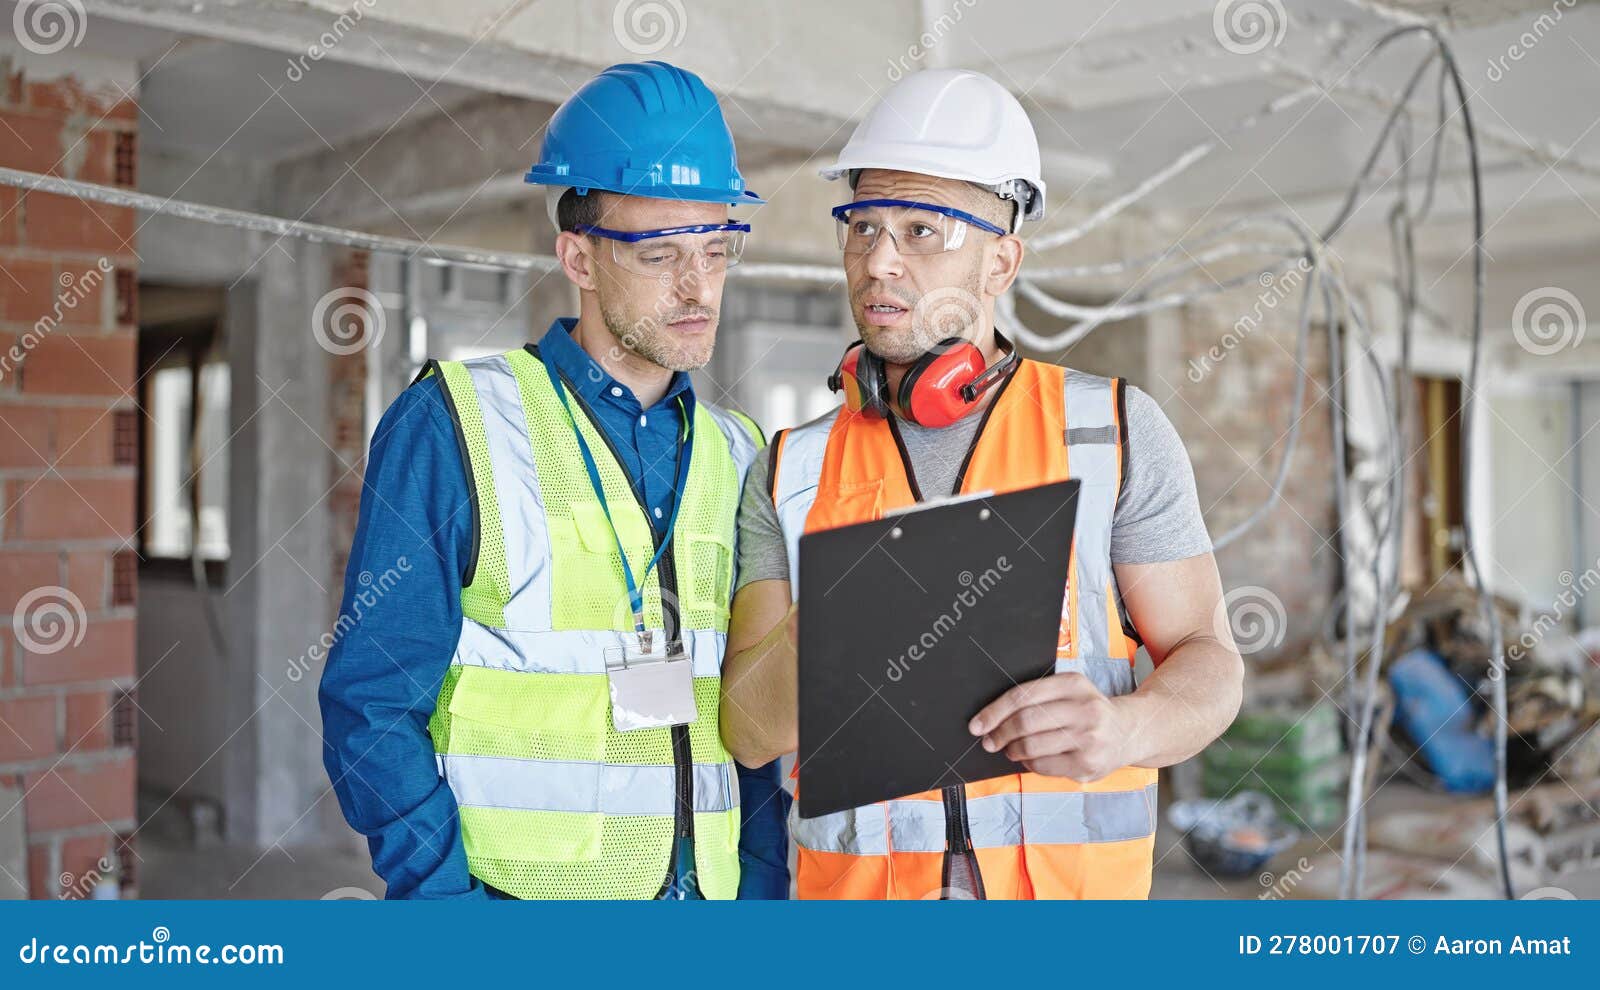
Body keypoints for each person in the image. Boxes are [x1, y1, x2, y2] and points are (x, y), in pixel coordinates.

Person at [719, 68, 1244, 899]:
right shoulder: (789, 470)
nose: (878, 261)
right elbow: (747, 733)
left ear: (1002, 260)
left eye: (922, 230)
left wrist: (1124, 727)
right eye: (861, 227)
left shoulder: (1111, 433)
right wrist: (836, 627)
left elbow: (1211, 661)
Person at [320, 60, 789, 900]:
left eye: (717, 249)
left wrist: (760, 887)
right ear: (579, 256)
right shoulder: (456, 424)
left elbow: (748, 721)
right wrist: (446, 907)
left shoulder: (741, 451)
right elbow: (371, 705)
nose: (698, 287)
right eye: (660, 253)